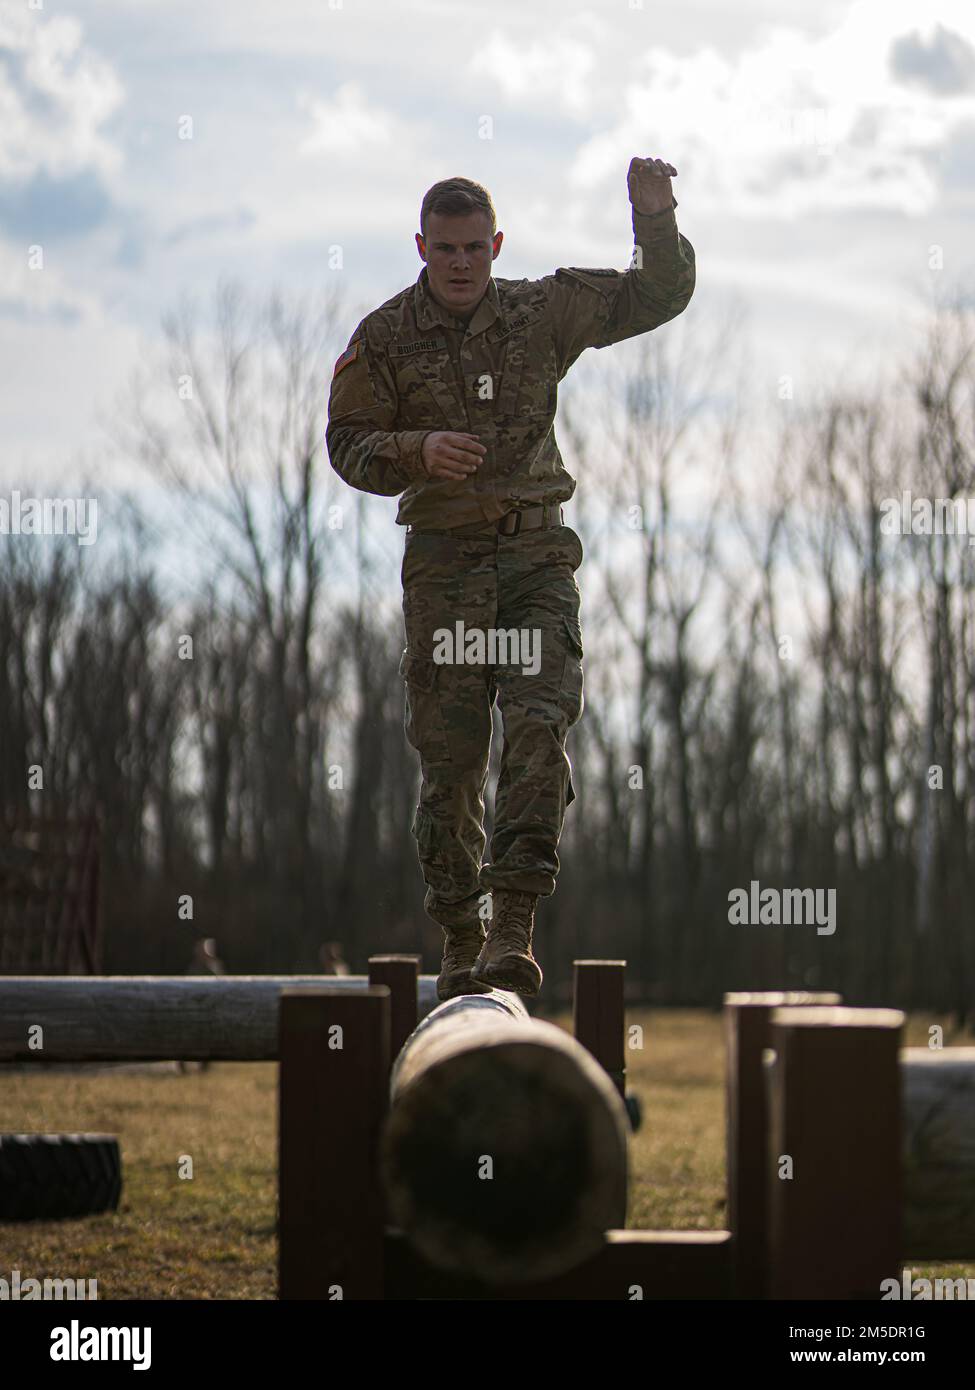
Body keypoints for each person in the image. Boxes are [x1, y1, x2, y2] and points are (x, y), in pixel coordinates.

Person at [327, 158, 695, 1001]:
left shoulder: (539, 312)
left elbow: (656, 295)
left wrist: (657, 216)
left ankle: (514, 925)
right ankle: (459, 934)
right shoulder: (383, 339)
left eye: (474, 249)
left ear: (495, 246)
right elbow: (345, 443)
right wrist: (415, 451)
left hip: (534, 558)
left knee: (538, 728)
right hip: (446, 567)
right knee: (451, 764)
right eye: (444, 249)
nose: (460, 264)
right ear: (421, 247)